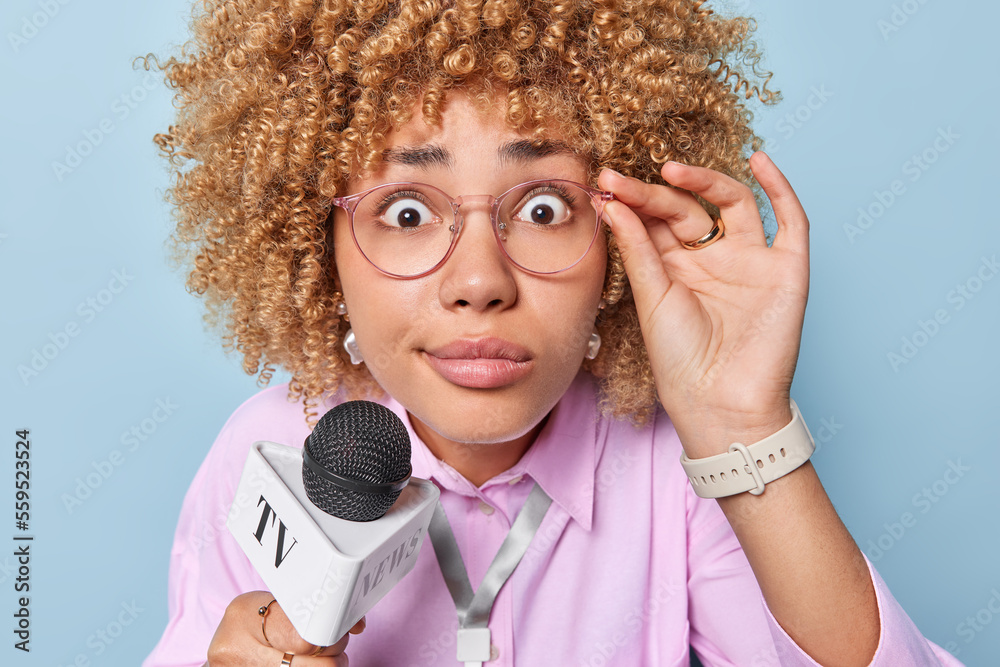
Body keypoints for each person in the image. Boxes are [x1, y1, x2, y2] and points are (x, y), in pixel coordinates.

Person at [142, 0, 962, 665]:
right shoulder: (265, 462)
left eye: (542, 210)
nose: (478, 283)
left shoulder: (678, 470)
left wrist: (742, 424)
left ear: (619, 233)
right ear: (315, 246)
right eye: (406, 211)